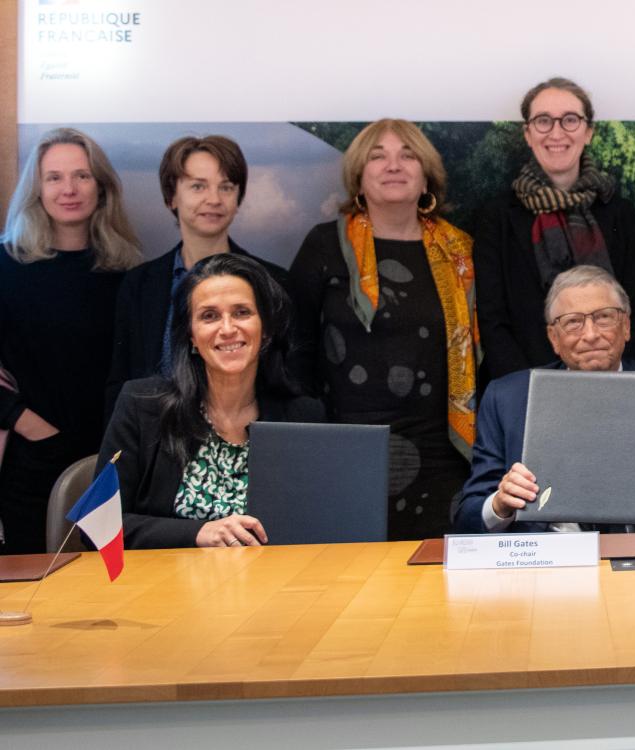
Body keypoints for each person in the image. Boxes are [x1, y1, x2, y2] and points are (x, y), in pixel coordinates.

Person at [289, 119, 477, 540]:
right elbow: (293, 346)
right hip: (348, 452)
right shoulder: (324, 245)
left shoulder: (460, 252)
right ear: (358, 175)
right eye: (378, 156)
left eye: (407, 155)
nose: (394, 165)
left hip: (442, 454)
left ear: (426, 174)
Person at [453, 265, 635, 534]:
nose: (591, 334)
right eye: (573, 322)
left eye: (604, 317)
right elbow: (468, 518)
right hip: (542, 563)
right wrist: (501, 505)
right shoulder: (506, 399)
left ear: (627, 326)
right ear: (553, 338)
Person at [100, 253, 322, 548]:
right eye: (209, 316)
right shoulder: (142, 405)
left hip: (273, 586)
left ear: (266, 328)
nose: (228, 328)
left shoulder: (304, 416)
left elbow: (321, 525)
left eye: (242, 312)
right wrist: (196, 533)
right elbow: (99, 526)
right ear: (191, 335)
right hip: (165, 587)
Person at [0, 128, 142, 554]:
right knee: (35, 594)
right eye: (54, 177)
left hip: (113, 461)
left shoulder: (129, 274)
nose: (69, 189)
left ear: (102, 187)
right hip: (30, 461)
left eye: (81, 175)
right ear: (36, 189)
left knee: (107, 598)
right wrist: (29, 424)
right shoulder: (6, 266)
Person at [474, 77, 635, 384]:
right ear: (528, 134)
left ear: (588, 131)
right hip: (525, 386)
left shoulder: (620, 214)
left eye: (570, 120)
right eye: (543, 121)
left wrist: (614, 377)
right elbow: (492, 319)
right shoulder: (497, 217)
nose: (556, 133)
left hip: (612, 385)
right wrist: (528, 389)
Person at [107, 135, 289, 417]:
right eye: (198, 186)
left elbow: (289, 382)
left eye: (226, 187)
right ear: (171, 197)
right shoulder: (138, 285)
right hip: (156, 446)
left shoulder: (274, 282)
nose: (213, 199)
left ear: (238, 197)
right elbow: (120, 383)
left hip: (251, 444)